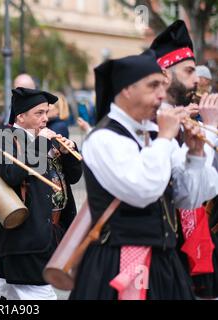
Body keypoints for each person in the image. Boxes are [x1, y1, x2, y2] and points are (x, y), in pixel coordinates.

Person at [69, 50, 218, 300]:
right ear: (127, 89)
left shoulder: (153, 132)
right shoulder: (105, 138)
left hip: (163, 262)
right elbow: (142, 190)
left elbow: (189, 199)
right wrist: (165, 138)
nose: (162, 94)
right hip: (116, 263)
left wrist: (195, 154)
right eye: (153, 86)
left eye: (162, 85)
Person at [0, 87, 83, 300]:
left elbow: (74, 177)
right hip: (24, 235)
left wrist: (69, 153)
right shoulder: (4, 136)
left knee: (19, 295)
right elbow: (11, 175)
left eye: (46, 112)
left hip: (52, 230)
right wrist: (40, 144)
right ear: (21, 117)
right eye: (39, 113)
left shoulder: (46, 138)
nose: (45, 118)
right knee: (40, 294)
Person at [151, 20, 218, 299]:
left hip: (174, 245)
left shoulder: (175, 120)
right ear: (165, 75)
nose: (196, 81)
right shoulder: (150, 123)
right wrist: (210, 130)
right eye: (189, 71)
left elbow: (197, 195)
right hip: (150, 252)